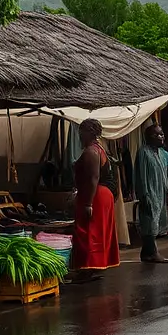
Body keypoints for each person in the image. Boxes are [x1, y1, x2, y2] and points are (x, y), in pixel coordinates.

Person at [71, 118, 120, 282]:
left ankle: (87, 269)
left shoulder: (92, 151)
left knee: (88, 232)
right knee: (96, 232)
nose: (80, 136)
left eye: (81, 132)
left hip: (95, 195)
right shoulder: (100, 149)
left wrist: (88, 203)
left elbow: (94, 177)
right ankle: (93, 267)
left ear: (88, 133)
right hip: (99, 194)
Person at [132, 123, 168, 263]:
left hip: (161, 192)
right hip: (150, 192)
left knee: (156, 221)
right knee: (149, 222)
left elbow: (164, 175)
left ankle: (146, 253)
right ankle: (154, 252)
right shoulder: (144, 152)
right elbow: (141, 175)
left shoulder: (162, 154)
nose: (161, 137)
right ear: (149, 137)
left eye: (161, 134)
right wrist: (144, 194)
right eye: (157, 134)